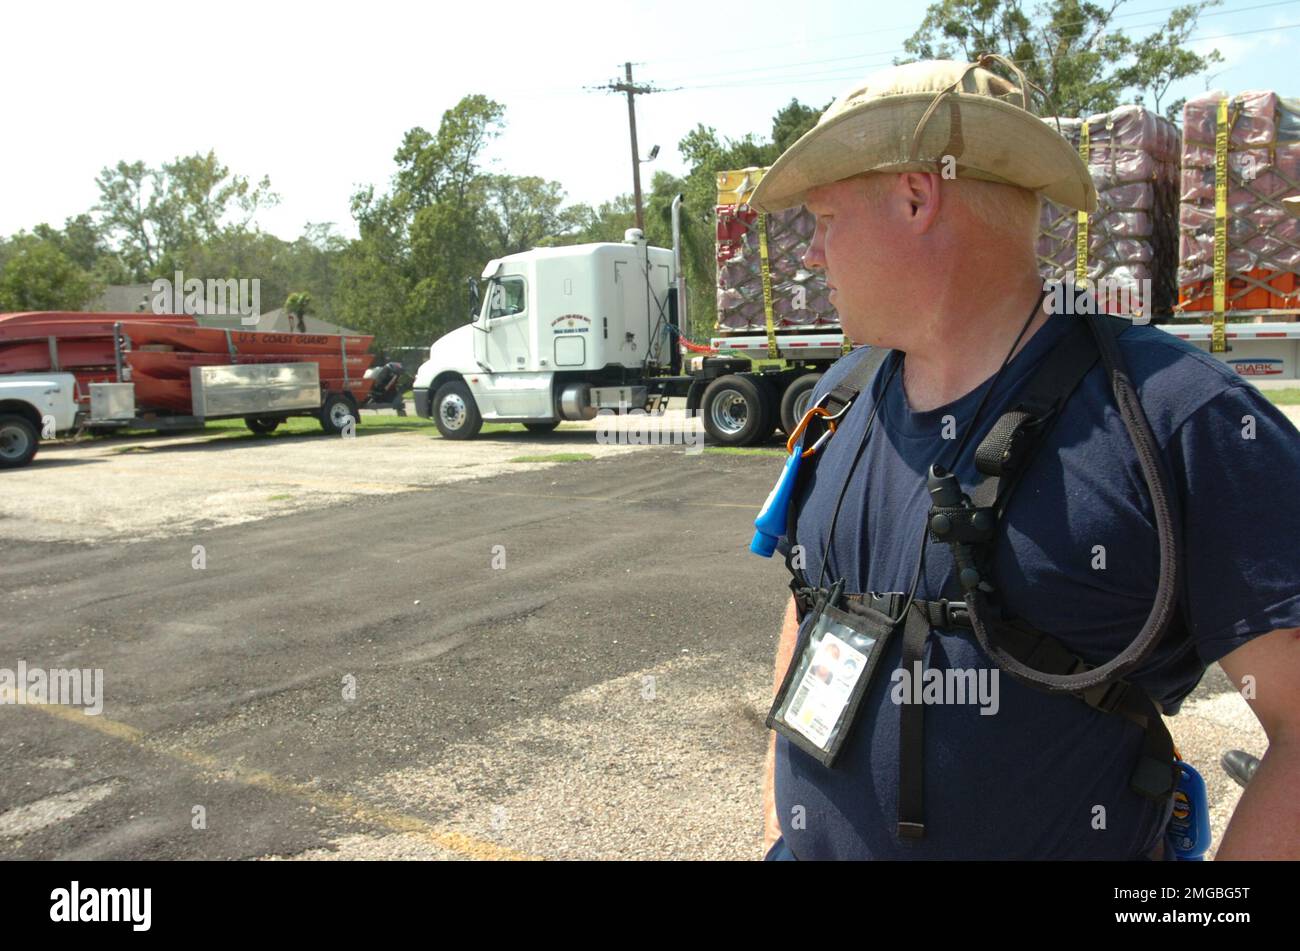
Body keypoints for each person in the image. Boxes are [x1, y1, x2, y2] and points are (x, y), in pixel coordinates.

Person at [754, 56, 1300, 860]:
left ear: (916, 195)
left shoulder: (1177, 415)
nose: (810, 256)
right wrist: (778, 836)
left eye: (823, 220)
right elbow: (810, 606)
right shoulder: (839, 397)